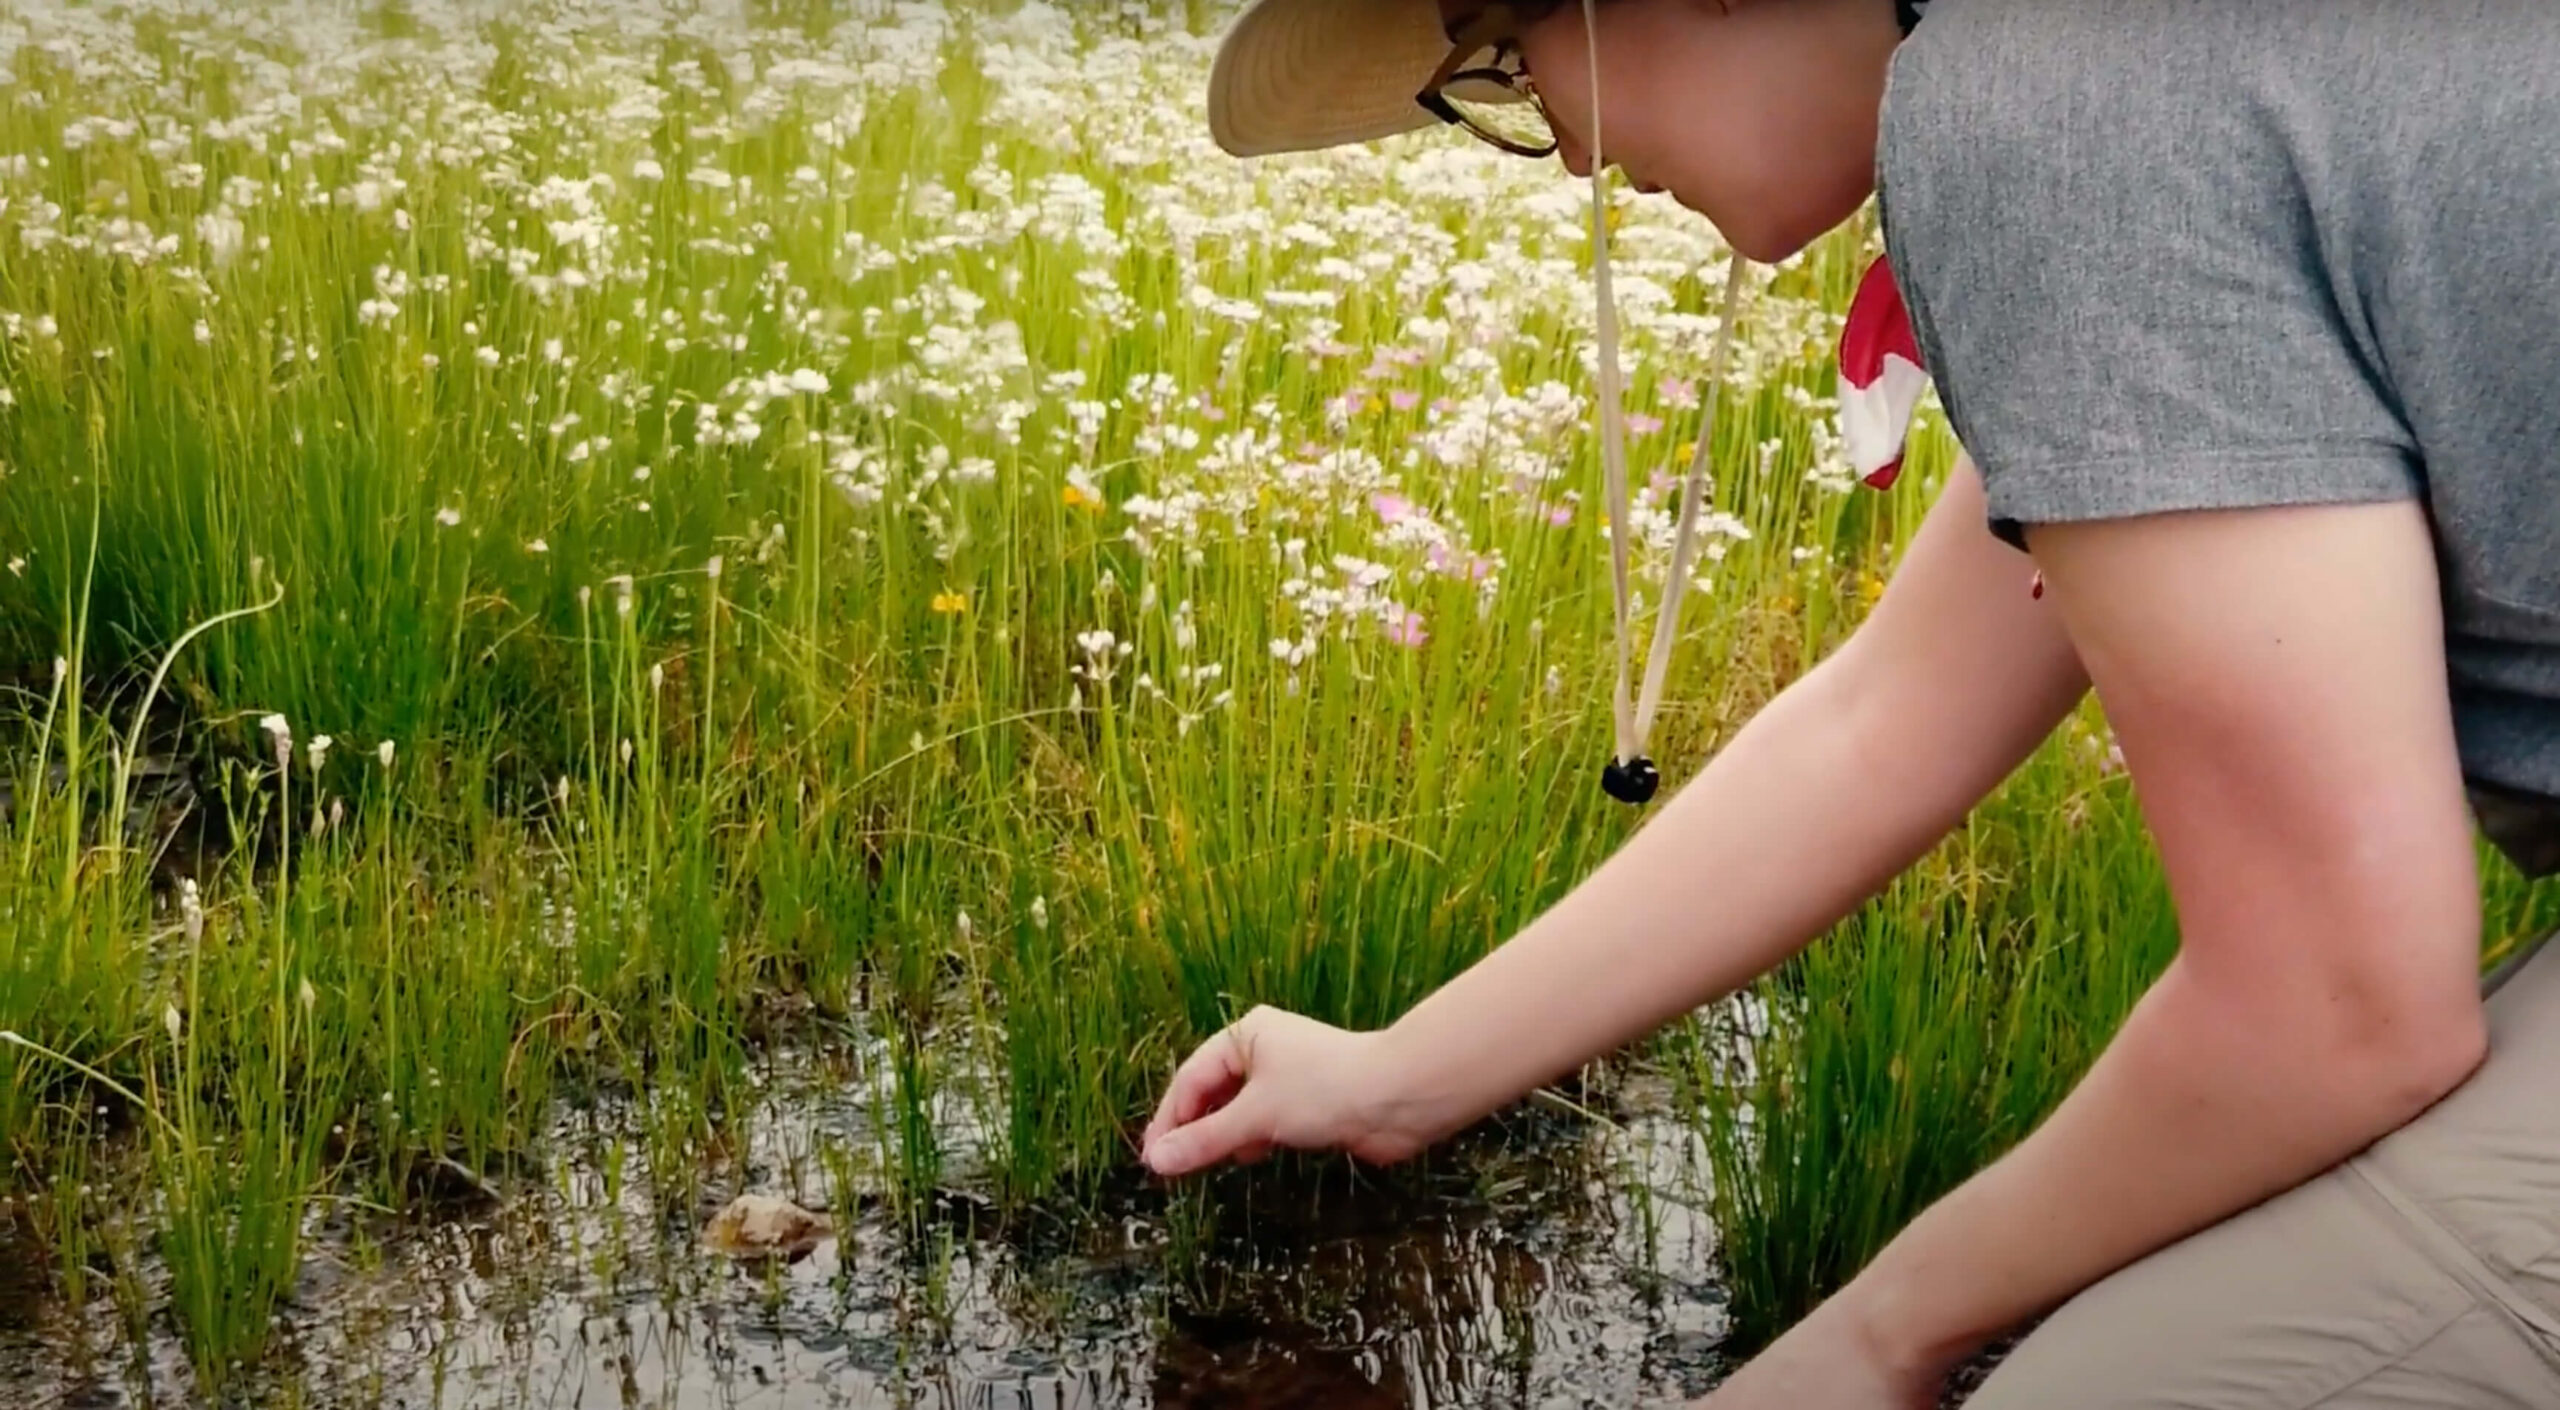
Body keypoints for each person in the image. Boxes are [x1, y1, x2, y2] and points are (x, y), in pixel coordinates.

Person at [1142, 0, 2560, 1406]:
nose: (1563, 150)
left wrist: (1877, 1336)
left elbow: (2345, 1004)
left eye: (1511, 60)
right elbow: (1893, 715)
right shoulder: (2100, 66)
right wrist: (1398, 1073)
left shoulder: (2039, 105)